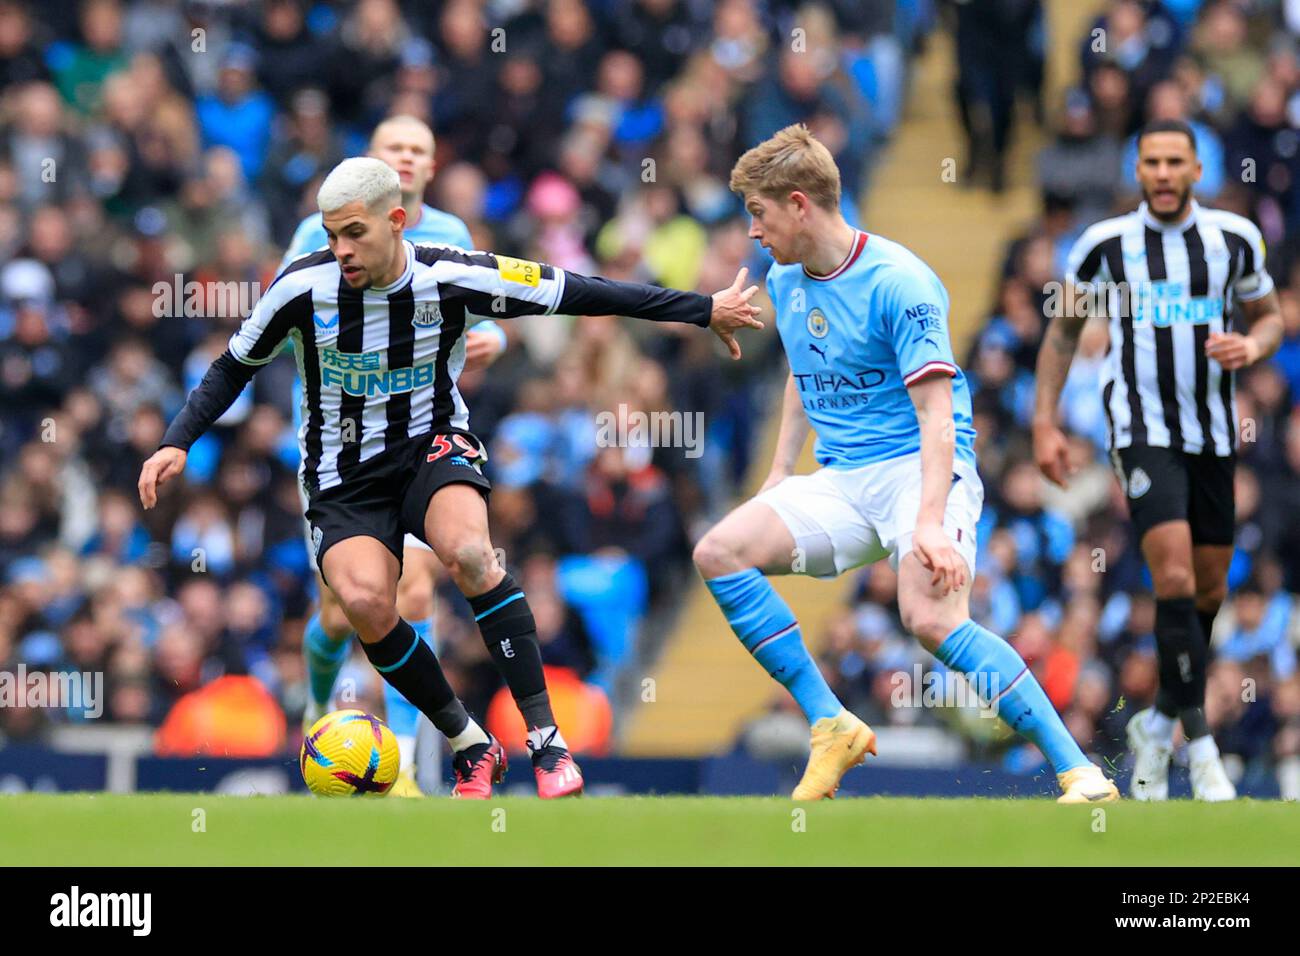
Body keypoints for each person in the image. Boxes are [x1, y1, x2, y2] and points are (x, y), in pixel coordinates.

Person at [139, 157, 762, 799]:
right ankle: (469, 743)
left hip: (429, 447)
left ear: (397, 220)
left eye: (354, 232)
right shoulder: (302, 288)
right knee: (365, 604)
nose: (340, 249)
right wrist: (176, 442)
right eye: (330, 235)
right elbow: (231, 366)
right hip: (342, 476)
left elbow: (576, 289)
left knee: (469, 552)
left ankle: (547, 743)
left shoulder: (453, 274)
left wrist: (701, 309)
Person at [692, 124, 1117, 803]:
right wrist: (778, 472)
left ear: (799, 204)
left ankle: (1078, 771)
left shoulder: (901, 282)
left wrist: (925, 523)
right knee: (718, 551)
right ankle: (831, 722)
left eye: (759, 212)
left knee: (930, 619)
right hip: (842, 477)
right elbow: (803, 374)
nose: (752, 230)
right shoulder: (785, 276)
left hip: (920, 467)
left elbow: (936, 417)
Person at [1033, 118, 1283, 802]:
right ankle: (1199, 750)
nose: (1165, 173)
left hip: (1212, 433)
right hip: (1140, 428)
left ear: (1197, 169)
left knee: (1206, 591)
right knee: (1171, 573)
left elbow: (1270, 316)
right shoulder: (1105, 245)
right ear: (1137, 171)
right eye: (1153, 162)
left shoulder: (1234, 239)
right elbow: (1064, 332)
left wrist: (1254, 348)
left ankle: (1159, 720)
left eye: (1177, 161)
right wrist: (1044, 421)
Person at [281, 114, 508, 797]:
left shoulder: (453, 236)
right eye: (393, 148)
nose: (406, 158)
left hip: (417, 445)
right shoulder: (319, 232)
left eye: (418, 151)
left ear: (430, 171)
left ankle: (406, 764)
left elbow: (485, 315)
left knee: (413, 591)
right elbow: (287, 324)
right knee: (344, 610)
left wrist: (489, 341)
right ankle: (319, 708)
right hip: (339, 454)